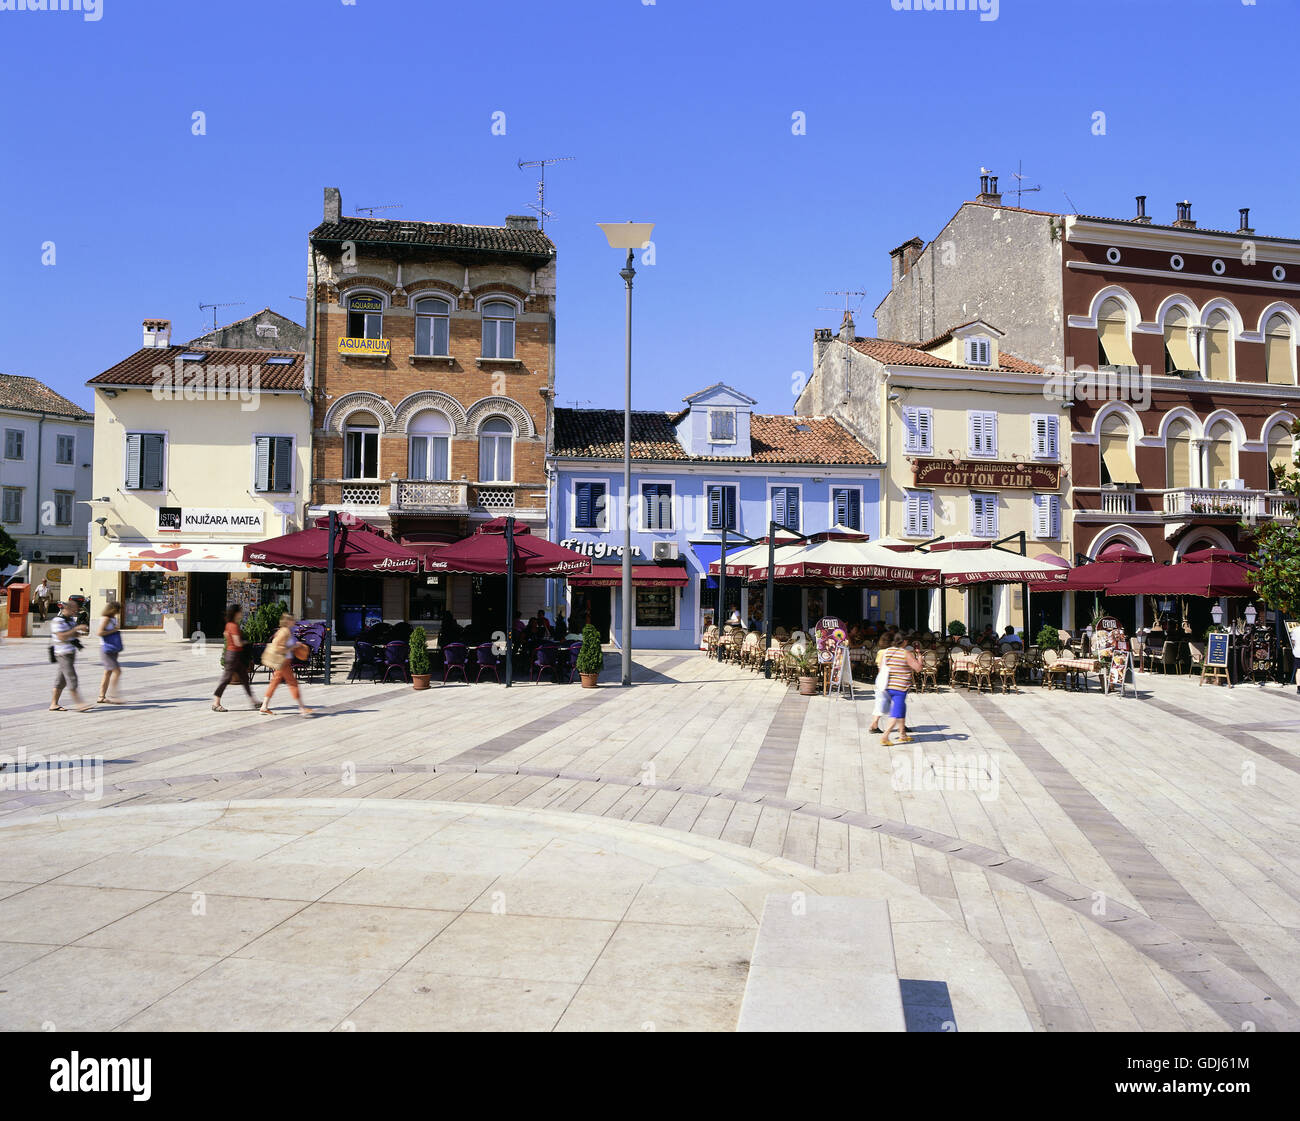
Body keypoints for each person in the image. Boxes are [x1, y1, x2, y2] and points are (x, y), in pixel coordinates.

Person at [260, 613, 312, 717]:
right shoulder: (284, 632)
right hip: (284, 661)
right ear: (287, 621)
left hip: (284, 661)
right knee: (292, 683)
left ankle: (264, 706)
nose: (294, 621)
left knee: (275, 682)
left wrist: (295, 645)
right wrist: (292, 647)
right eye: (292, 620)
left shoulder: (286, 631)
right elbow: (277, 647)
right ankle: (301, 708)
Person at [879, 634, 924, 747]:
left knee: (901, 709)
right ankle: (885, 736)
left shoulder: (887, 651)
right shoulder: (905, 654)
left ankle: (902, 734)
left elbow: (881, 667)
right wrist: (919, 657)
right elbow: (918, 668)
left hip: (888, 686)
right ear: (904, 642)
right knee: (896, 713)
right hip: (900, 687)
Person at [213, 603, 259, 712]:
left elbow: (225, 634)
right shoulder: (233, 626)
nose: (241, 613)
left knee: (244, 678)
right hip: (233, 656)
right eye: (240, 611)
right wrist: (246, 642)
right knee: (225, 679)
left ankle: (254, 701)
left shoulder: (229, 624)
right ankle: (216, 703)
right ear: (236, 613)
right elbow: (237, 643)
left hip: (234, 655)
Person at [49, 600, 90, 711]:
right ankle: (79, 704)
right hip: (62, 653)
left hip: (70, 652)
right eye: (74, 610)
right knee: (71, 677)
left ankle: (54, 704)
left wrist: (79, 631)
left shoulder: (71, 620)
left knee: (61, 680)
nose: (75, 612)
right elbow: (61, 636)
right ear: (67, 609)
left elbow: (73, 634)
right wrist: (76, 629)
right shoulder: (57, 621)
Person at [96, 602, 125, 704]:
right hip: (106, 648)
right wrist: (113, 631)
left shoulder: (113, 619)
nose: (119, 612)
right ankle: (113, 695)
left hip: (112, 648)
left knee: (107, 672)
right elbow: (99, 632)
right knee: (117, 671)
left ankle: (101, 696)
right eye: (118, 610)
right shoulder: (106, 618)